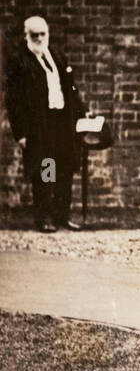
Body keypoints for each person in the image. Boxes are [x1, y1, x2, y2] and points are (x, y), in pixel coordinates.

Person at [5, 16, 86, 232]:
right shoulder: (20, 62)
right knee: (46, 170)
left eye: (42, 34)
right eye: (34, 35)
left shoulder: (57, 56)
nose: (39, 38)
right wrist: (20, 133)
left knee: (65, 169)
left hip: (62, 123)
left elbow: (70, 89)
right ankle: (44, 218)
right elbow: (13, 101)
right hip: (40, 126)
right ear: (26, 36)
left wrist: (83, 113)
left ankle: (62, 215)